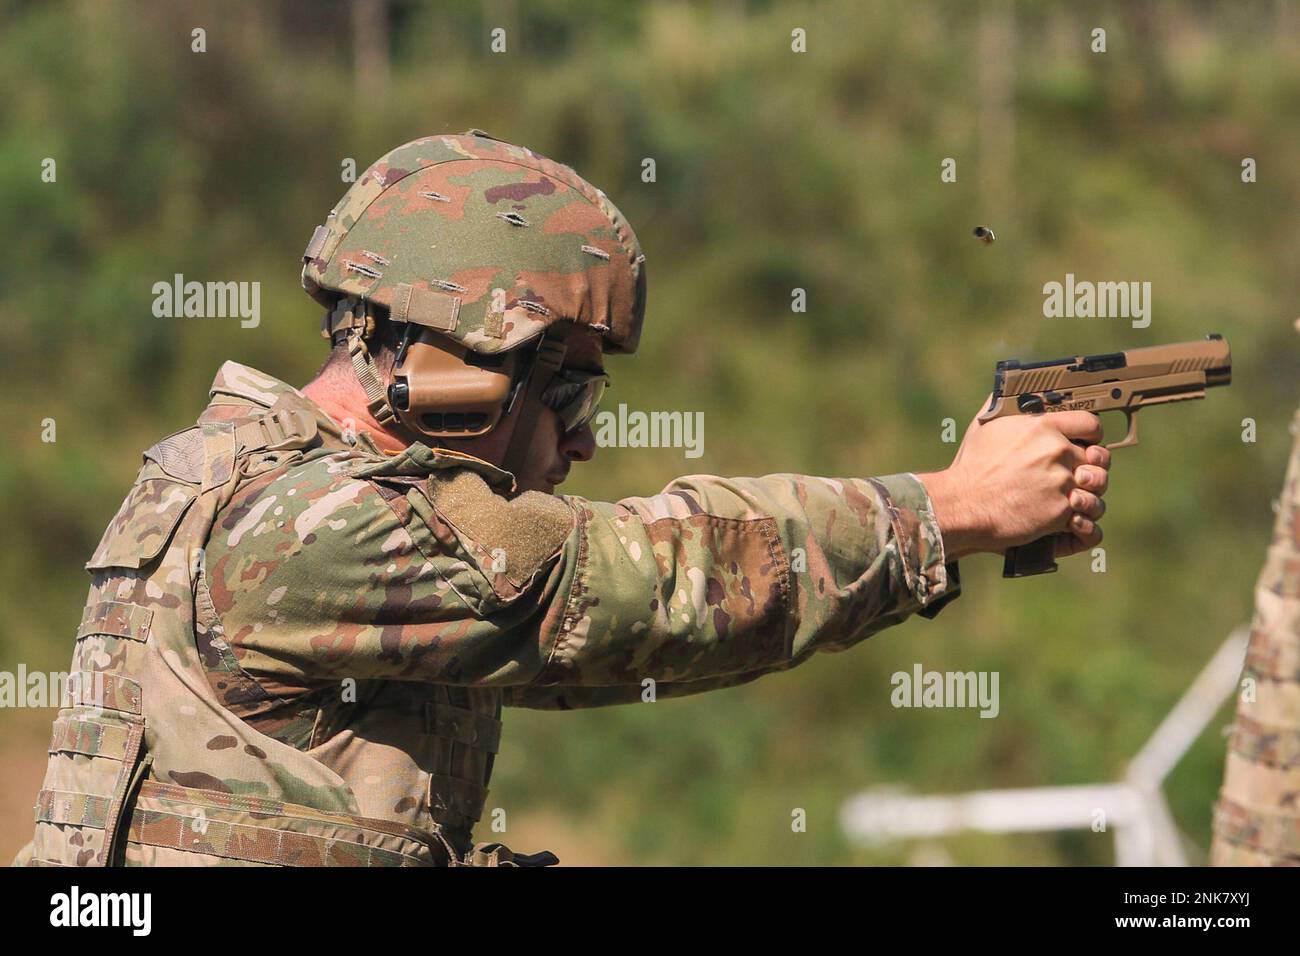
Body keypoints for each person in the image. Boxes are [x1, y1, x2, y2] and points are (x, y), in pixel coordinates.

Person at [19, 130, 1110, 867]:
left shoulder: (246, 476)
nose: (585, 436)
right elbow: (636, 588)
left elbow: (631, 638)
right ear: (468, 365)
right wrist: (947, 508)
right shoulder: (306, 523)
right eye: (570, 384)